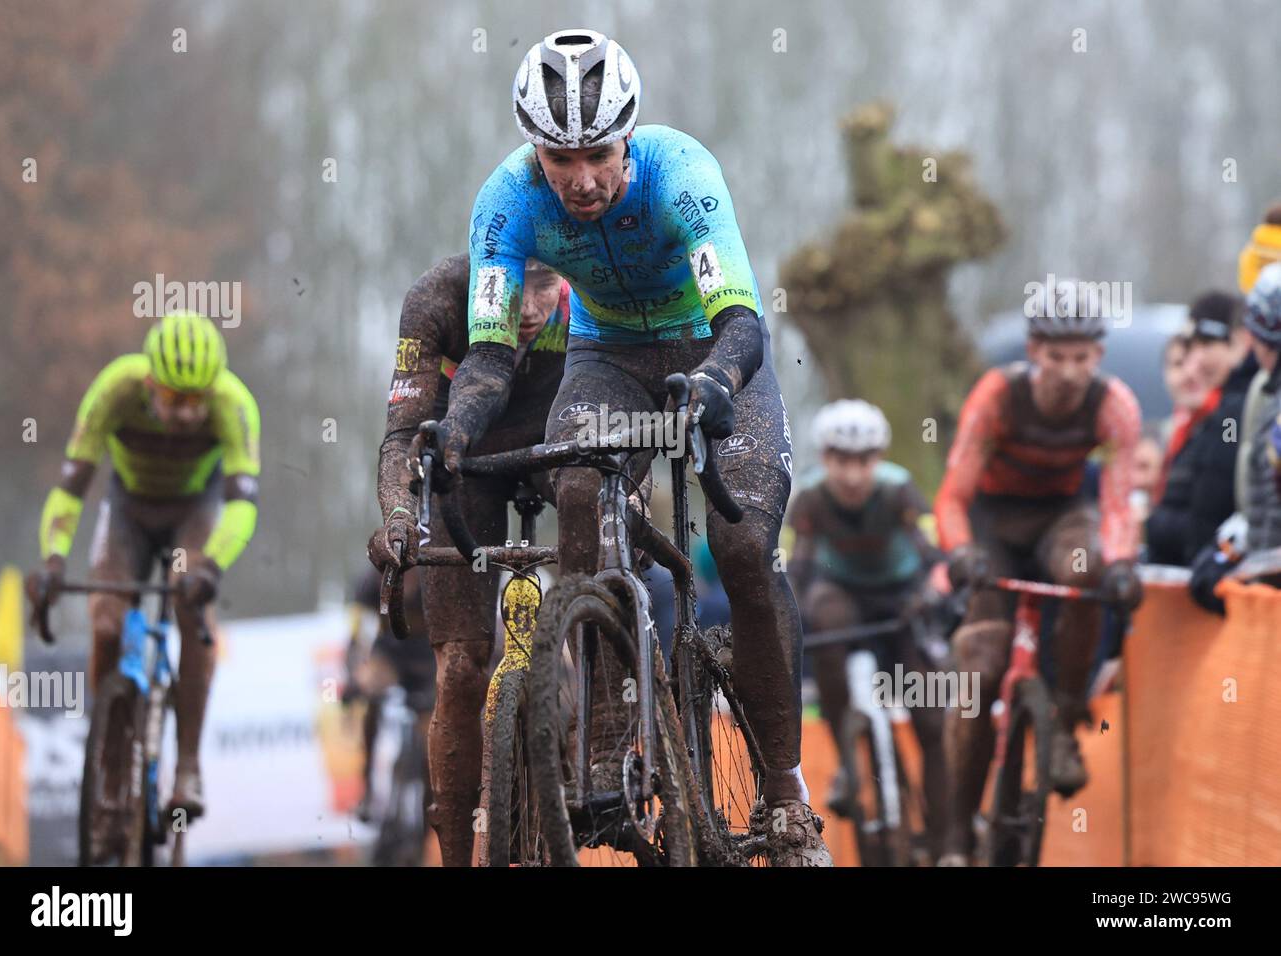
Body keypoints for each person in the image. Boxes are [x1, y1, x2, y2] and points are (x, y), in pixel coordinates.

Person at [432, 28, 831, 865]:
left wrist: (718, 382)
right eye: (557, 159)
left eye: (598, 155)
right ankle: (612, 733)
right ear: (534, 152)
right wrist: (457, 430)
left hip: (713, 350)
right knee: (578, 487)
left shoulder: (683, 173)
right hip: (606, 355)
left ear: (629, 136)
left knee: (744, 548)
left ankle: (786, 790)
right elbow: (491, 352)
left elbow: (743, 321)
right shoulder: (506, 201)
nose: (580, 179)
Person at [933, 279, 1143, 866]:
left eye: (1082, 357)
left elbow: (1121, 500)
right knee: (977, 670)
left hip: (1059, 519)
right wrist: (961, 551)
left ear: (1098, 355)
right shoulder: (995, 396)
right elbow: (951, 496)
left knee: (1087, 571)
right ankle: (954, 837)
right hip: (993, 524)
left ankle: (1067, 723)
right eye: (1057, 357)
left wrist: (1123, 564)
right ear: (1033, 351)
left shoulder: (1115, 404)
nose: (1070, 371)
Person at [367, 253, 568, 866]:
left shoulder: (586, 283)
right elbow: (403, 434)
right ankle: (456, 850)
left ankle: (607, 733)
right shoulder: (436, 299)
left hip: (560, 440)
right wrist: (400, 517)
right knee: (458, 667)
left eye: (543, 286)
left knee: (606, 541)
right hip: (466, 461)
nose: (529, 310)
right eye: (511, 289)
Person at [26, 311, 260, 817]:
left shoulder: (233, 402)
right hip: (128, 509)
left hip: (194, 514)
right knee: (107, 622)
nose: (187, 415)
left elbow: (242, 505)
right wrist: (53, 558)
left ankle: (189, 766)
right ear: (150, 381)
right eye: (176, 399)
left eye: (198, 400)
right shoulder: (114, 389)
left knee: (190, 603)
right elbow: (71, 489)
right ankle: (110, 759)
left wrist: (211, 567)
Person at [786, 399, 946, 857]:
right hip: (846, 596)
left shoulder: (899, 489)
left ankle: (946, 834)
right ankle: (847, 757)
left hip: (901, 598)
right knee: (821, 611)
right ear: (825, 458)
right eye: (841, 460)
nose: (852, 475)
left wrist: (933, 590)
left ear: (879, 458)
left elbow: (929, 547)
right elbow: (798, 565)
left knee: (930, 719)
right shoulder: (811, 497)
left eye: (863, 461)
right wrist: (783, 612)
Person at [1190, 264, 1281, 609]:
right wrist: (1228, 549)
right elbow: (1258, 504)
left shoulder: (1246, 404)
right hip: (1263, 579)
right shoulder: (1265, 396)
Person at [1146, 292, 1255, 566]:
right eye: (1191, 347)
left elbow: (1215, 515)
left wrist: (1150, 525)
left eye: (1207, 344)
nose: (1195, 363)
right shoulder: (1204, 418)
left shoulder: (1233, 414)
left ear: (1240, 341)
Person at [344, 566, 436, 825]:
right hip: (389, 655)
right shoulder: (370, 581)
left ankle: (434, 801)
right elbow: (356, 636)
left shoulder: (432, 577)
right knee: (370, 693)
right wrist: (353, 675)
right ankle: (367, 784)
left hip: (427, 660)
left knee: (432, 735)